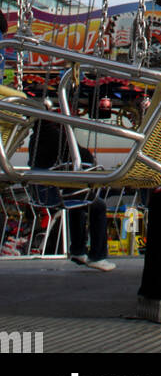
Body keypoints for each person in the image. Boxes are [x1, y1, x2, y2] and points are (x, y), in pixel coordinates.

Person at [28, 110, 115, 271]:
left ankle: (78, 250)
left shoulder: (35, 138)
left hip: (43, 191)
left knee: (77, 205)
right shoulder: (56, 137)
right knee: (98, 206)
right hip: (54, 192)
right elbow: (84, 157)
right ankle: (97, 255)